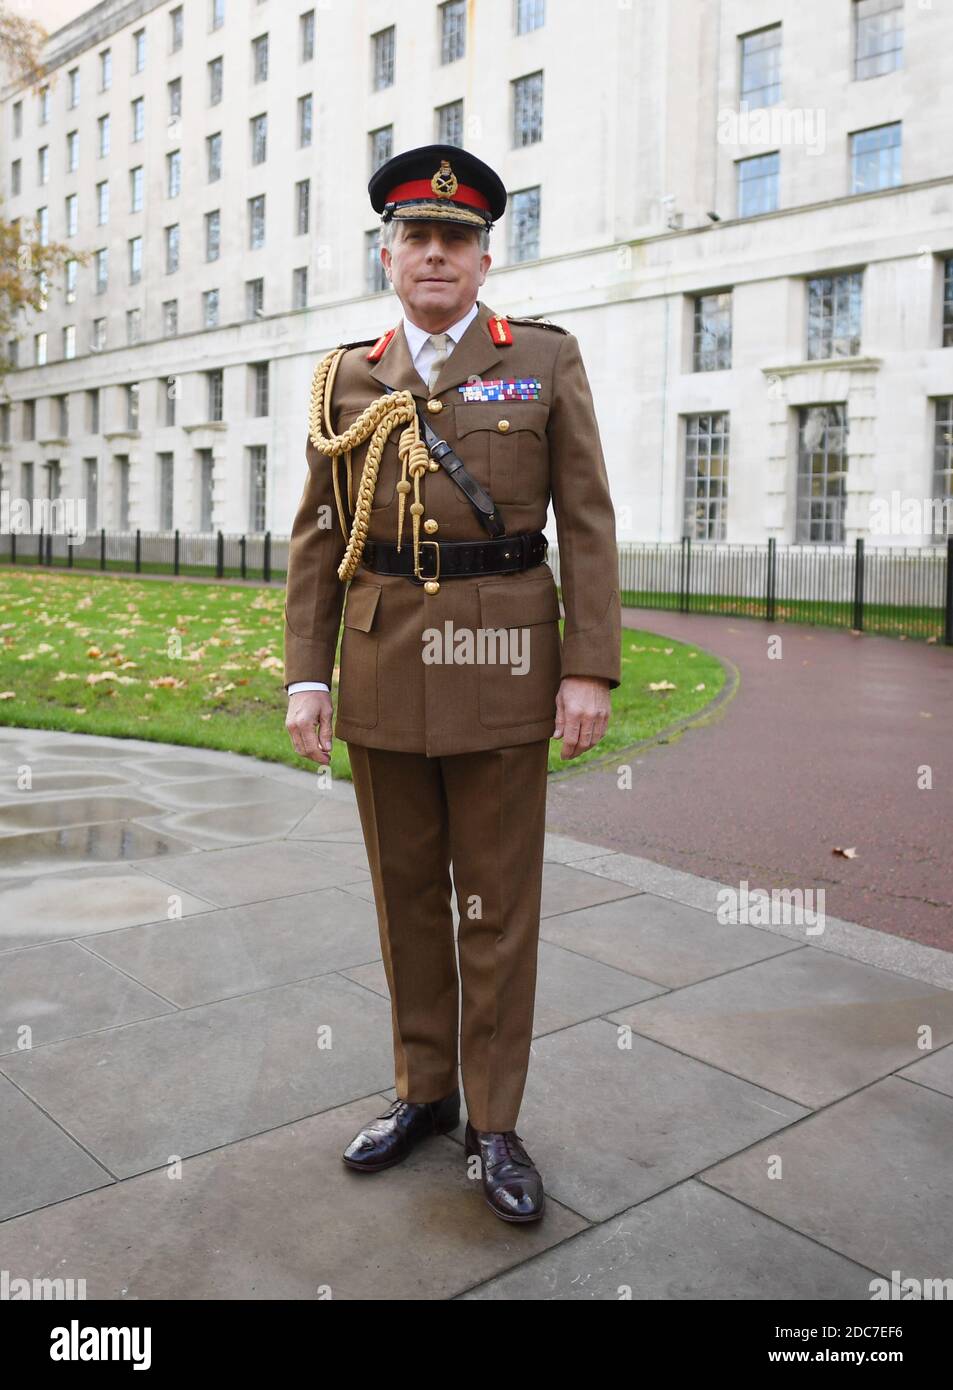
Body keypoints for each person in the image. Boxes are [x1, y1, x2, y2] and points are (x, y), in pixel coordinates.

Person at [284, 144, 621, 1223]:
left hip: (504, 666)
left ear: (482, 259)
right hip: (381, 664)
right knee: (406, 905)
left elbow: (588, 523)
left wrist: (587, 668)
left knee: (498, 907)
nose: (435, 254)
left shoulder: (544, 359)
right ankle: (423, 1093)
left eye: (456, 239)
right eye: (416, 238)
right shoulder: (346, 375)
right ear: (387, 255)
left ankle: (496, 1121)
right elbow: (317, 537)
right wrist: (304, 677)